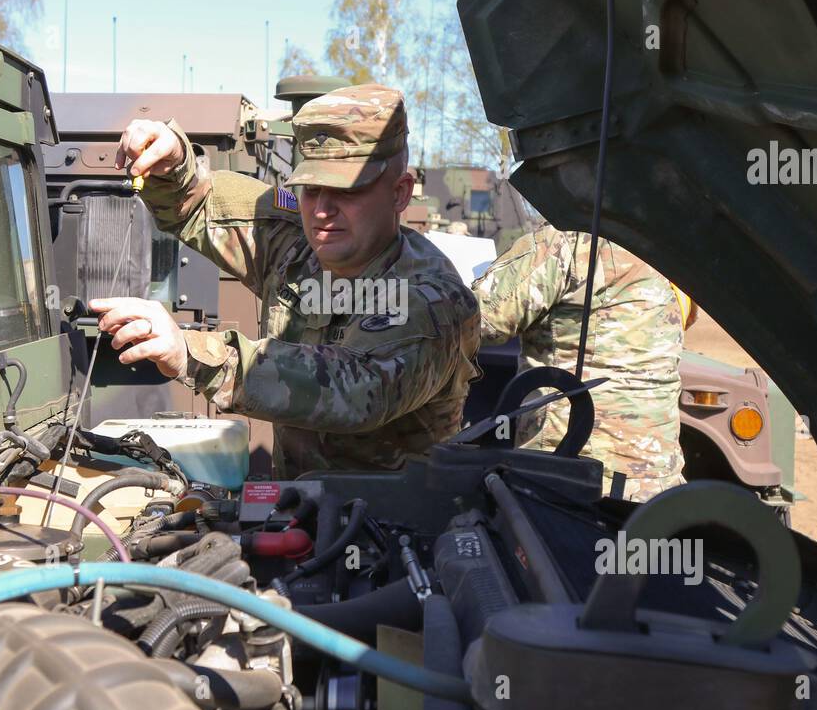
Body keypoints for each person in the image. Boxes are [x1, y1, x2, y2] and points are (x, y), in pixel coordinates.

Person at [90, 84, 481, 478]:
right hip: (299, 514)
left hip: (399, 525)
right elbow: (201, 207)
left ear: (400, 193)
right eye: (311, 189)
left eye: (347, 191)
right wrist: (173, 161)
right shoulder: (296, 243)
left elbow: (359, 388)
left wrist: (193, 353)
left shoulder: (433, 298)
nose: (323, 210)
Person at [472, 223, 685, 501]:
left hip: (574, 478)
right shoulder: (665, 247)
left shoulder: (566, 243)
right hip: (657, 483)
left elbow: (475, 320)